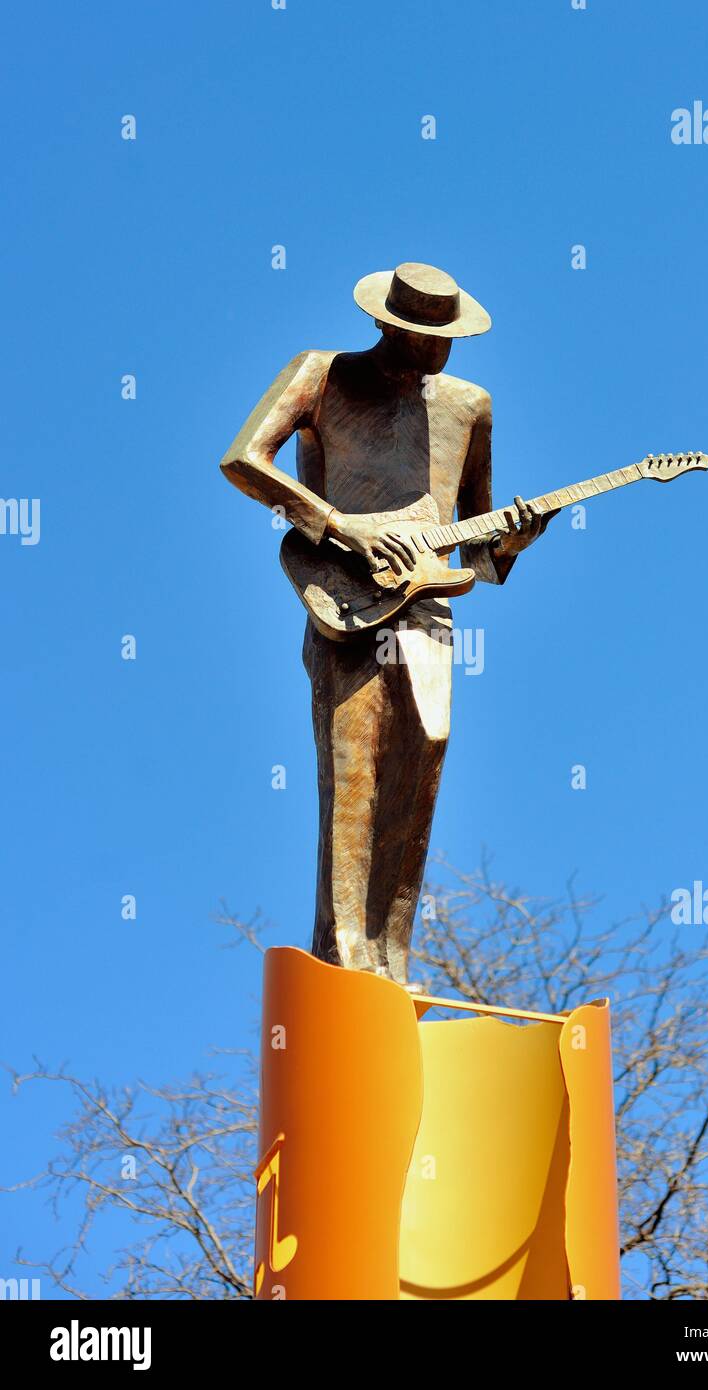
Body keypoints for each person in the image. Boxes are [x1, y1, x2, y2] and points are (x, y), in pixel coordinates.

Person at [221, 262, 555, 984]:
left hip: (428, 602)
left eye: (448, 336)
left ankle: (390, 958)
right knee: (353, 766)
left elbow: (477, 546)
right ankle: (342, 954)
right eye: (424, 335)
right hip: (346, 591)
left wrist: (511, 542)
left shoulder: (469, 405)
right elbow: (244, 461)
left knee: (423, 758)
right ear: (388, 324)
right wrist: (341, 527)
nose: (440, 349)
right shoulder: (323, 372)